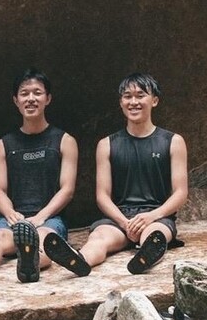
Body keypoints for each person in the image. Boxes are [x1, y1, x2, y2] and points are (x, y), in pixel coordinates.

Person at [45, 73, 188, 276]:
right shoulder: (106, 145)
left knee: (155, 236)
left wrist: (151, 216)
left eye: (140, 95)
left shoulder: (173, 141)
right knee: (99, 238)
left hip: (156, 215)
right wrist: (124, 222)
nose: (133, 102)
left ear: (154, 100)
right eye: (127, 96)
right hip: (118, 218)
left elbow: (180, 192)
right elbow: (102, 196)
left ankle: (145, 258)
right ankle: (79, 260)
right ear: (121, 102)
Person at [0, 68, 78, 282]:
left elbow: (67, 189)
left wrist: (42, 216)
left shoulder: (65, 141)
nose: (31, 99)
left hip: (49, 219)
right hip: (13, 220)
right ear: (16, 100)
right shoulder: (3, 145)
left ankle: (29, 263)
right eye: (24, 93)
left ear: (48, 98)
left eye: (37, 93)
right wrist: (10, 214)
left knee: (43, 242)